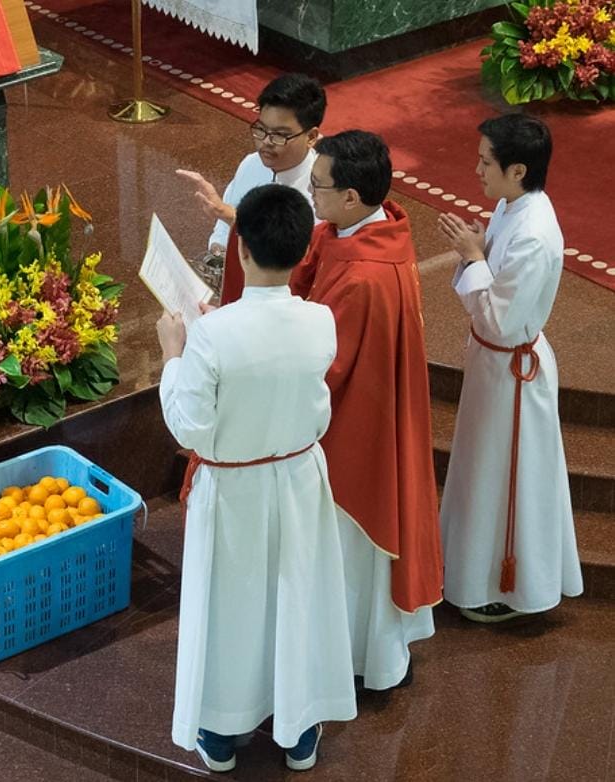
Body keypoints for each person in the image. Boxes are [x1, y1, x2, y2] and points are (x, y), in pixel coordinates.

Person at [157, 184, 356, 773]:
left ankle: (221, 732)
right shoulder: (319, 320)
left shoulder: (211, 335)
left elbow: (189, 427)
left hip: (233, 489)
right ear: (303, 251)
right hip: (297, 479)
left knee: (233, 606)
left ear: (240, 247)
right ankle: (299, 728)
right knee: (297, 597)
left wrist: (173, 354)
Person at [289, 130, 443, 691]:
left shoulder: (363, 275)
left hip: (356, 427)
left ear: (352, 196)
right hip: (376, 408)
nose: (312, 195)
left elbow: (325, 366)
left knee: (351, 549)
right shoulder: (378, 234)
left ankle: (360, 660)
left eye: (318, 186)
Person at [436, 114, 582, 623]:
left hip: (512, 373)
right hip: (493, 366)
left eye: (485, 162)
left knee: (506, 481)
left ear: (517, 170)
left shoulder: (535, 234)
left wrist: (473, 256)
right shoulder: (510, 204)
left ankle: (508, 585)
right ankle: (470, 572)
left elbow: (499, 321)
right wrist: (479, 251)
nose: (477, 170)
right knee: (482, 474)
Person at [176, 73, 326, 304]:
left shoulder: (323, 188)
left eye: (280, 135)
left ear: (311, 137)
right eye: (261, 130)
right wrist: (218, 259)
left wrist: (231, 216)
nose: (266, 142)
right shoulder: (251, 164)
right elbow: (222, 230)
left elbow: (298, 261)